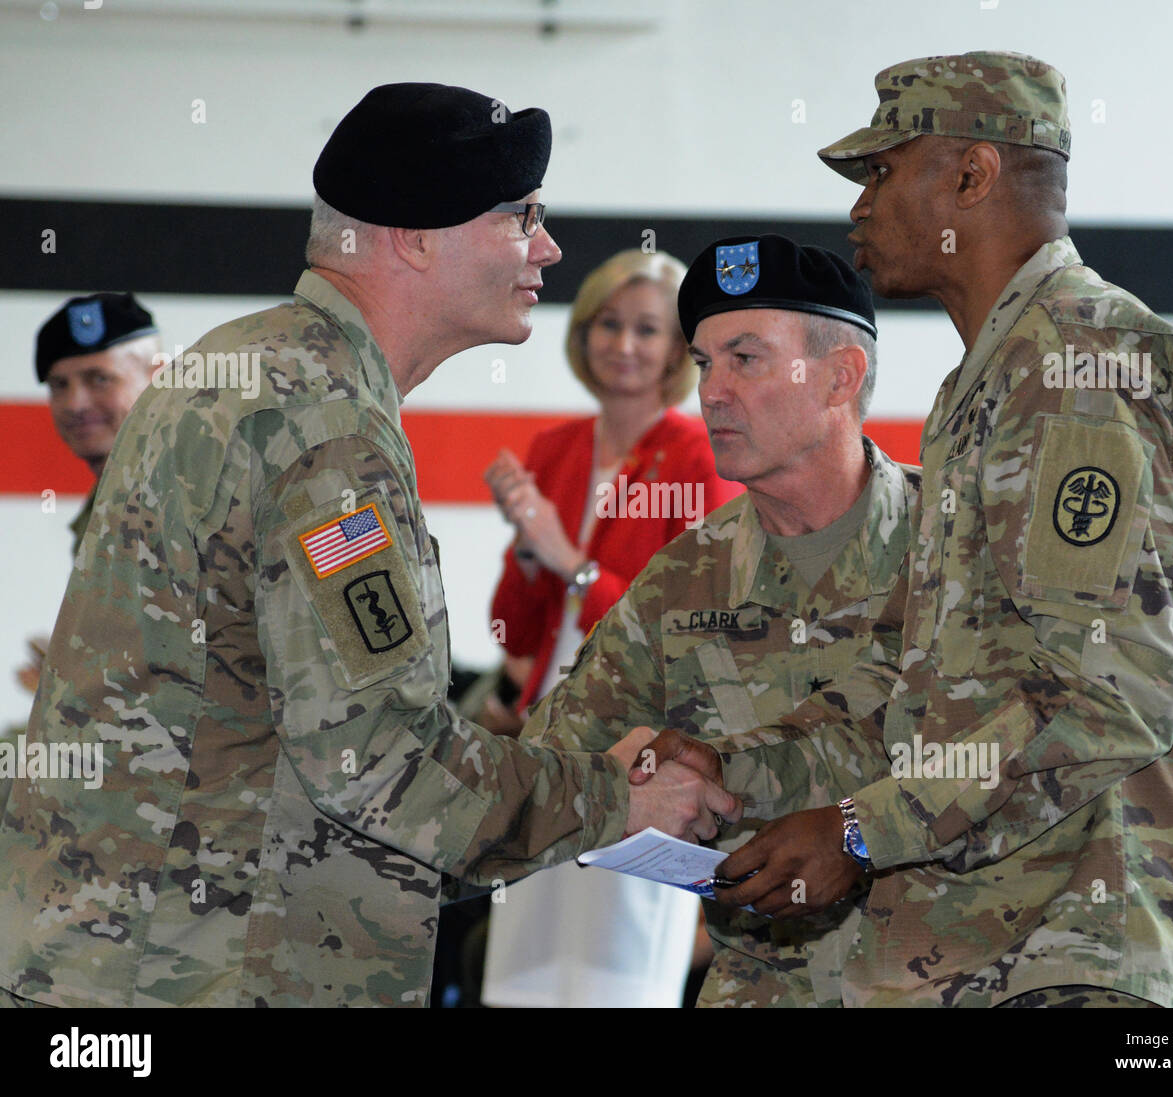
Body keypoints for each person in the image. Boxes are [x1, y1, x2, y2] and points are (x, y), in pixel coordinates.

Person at [0, 82, 737, 1009]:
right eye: (522, 216)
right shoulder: (323, 427)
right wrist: (615, 799)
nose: (546, 246)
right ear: (418, 237)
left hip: (116, 953)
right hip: (212, 965)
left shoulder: (236, 367)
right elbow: (381, 763)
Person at [661, 50, 1173, 1007]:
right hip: (1009, 941)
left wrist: (864, 829)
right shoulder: (991, 380)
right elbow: (943, 684)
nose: (858, 207)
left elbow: (1112, 689)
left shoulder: (1077, 362)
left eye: (881, 171)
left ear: (972, 173)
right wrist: (746, 773)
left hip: (1101, 945)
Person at [521, 234, 919, 1006]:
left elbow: (1031, 746)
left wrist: (863, 828)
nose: (712, 392)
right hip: (764, 986)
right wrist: (634, 779)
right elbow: (553, 755)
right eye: (704, 363)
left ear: (841, 377)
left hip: (956, 980)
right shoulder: (684, 580)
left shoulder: (964, 546)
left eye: (746, 358)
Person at [480, 249, 742, 1007]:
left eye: (646, 329)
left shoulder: (696, 454)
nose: (623, 343)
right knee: (527, 971)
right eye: (608, 323)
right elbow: (518, 628)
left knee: (614, 977)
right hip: (547, 730)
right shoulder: (555, 448)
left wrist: (572, 562)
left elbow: (695, 629)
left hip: (639, 749)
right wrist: (533, 554)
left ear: (675, 350)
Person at [35, 292, 161, 555]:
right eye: (59, 385)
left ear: (157, 380)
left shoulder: (189, 500)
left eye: (100, 379)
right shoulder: (111, 501)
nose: (74, 404)